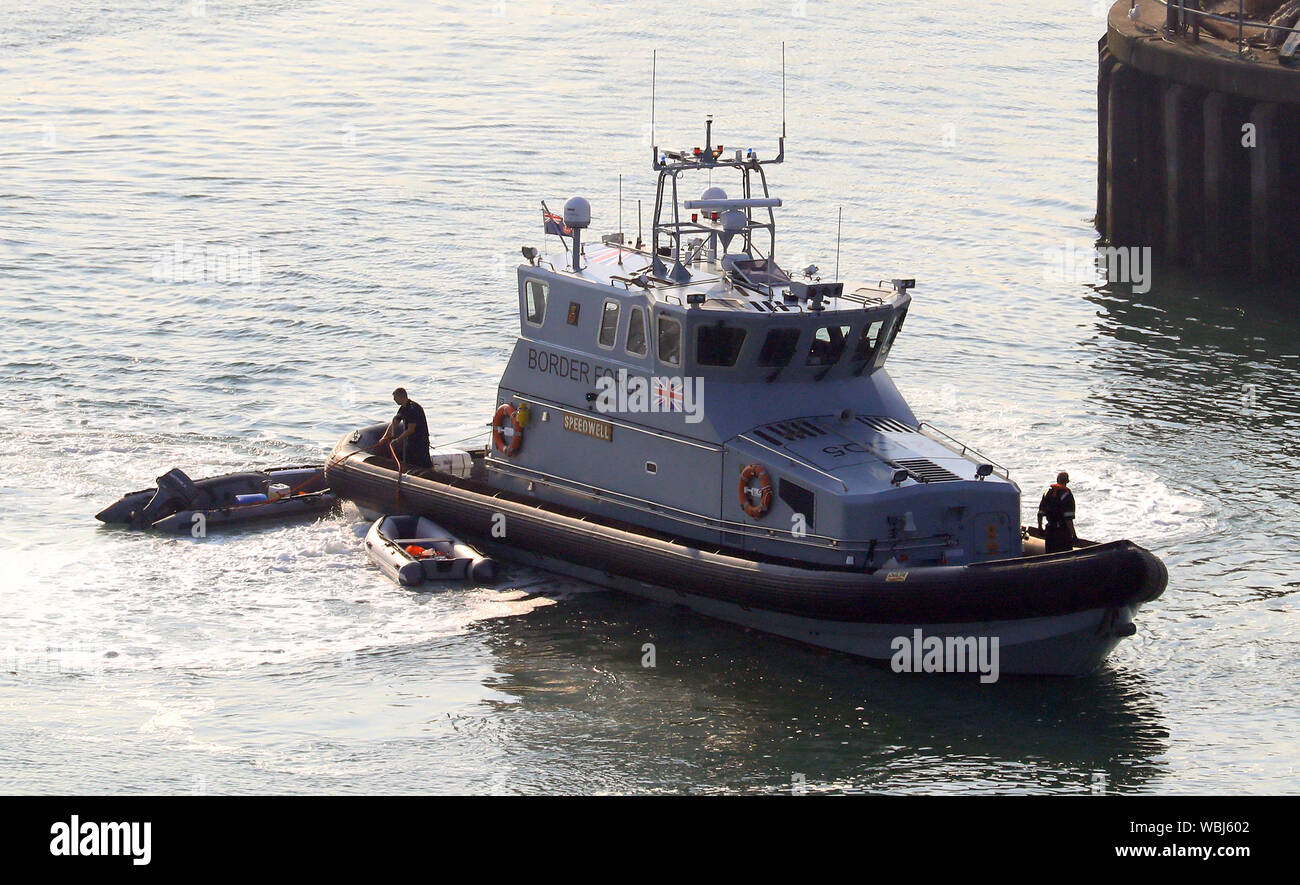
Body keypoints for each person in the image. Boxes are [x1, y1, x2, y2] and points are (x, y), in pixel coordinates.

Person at [377, 387, 432, 470]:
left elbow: (410, 429)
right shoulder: (403, 408)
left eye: (395, 398)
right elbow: (394, 423)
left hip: (420, 441)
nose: (394, 400)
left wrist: (397, 440)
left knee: (425, 463)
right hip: (410, 441)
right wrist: (384, 437)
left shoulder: (413, 409)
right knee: (408, 460)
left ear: (401, 397)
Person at [1037, 471, 1077, 554]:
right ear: (1067, 481)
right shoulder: (1067, 495)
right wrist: (1074, 535)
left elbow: (1040, 513)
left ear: (1057, 480)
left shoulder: (1047, 493)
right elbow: (1068, 519)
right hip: (1062, 533)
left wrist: (1040, 528)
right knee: (1066, 557)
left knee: (1050, 555)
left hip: (1050, 531)